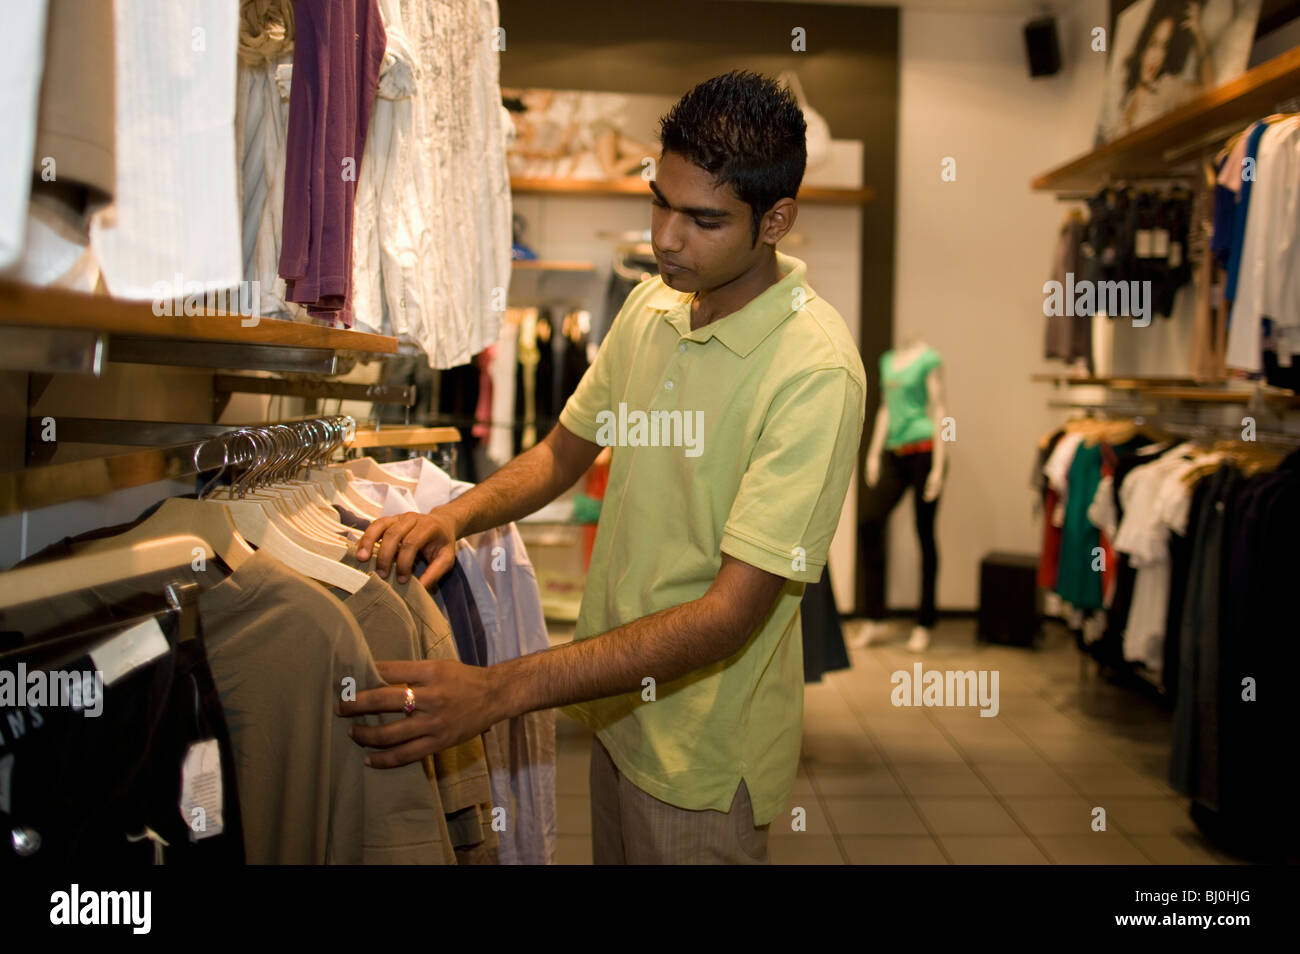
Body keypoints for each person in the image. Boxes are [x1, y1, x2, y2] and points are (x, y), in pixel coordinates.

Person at [338, 70, 866, 865]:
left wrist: (501, 689)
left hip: (704, 755)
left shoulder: (814, 371)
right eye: (659, 201)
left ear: (776, 221)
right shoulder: (652, 307)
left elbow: (730, 614)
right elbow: (562, 451)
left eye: (703, 219)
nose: (665, 238)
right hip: (615, 707)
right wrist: (456, 514)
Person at [1113, 0, 1215, 138]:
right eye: (1154, 44)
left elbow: (1209, 89)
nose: (1157, 57)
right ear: (1143, 48)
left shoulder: (1167, 87)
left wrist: (1198, 34)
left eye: (1164, 47)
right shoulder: (1128, 99)